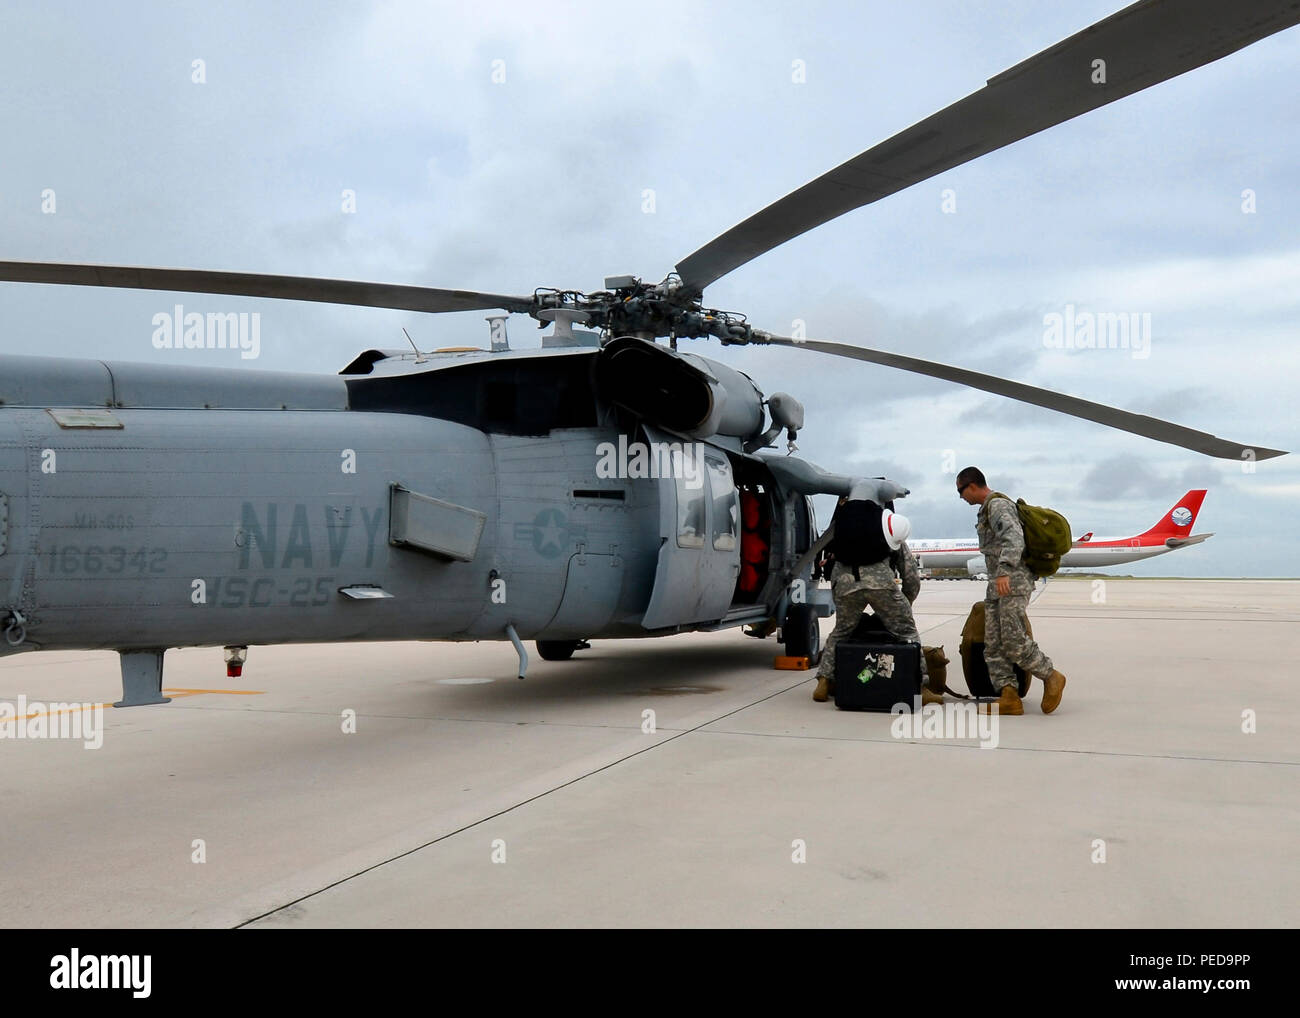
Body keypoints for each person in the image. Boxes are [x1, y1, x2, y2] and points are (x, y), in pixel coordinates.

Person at [956, 466, 1067, 715]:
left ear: (972, 486)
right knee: (993, 643)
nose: (961, 497)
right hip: (997, 583)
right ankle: (1008, 696)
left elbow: (1014, 537)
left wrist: (1005, 569)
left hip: (1012, 580)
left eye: (960, 491)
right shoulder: (986, 510)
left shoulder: (998, 506)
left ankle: (1051, 676)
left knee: (1013, 638)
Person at [812, 496, 936, 705]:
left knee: (841, 632)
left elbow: (834, 568)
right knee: (907, 632)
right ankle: (921, 688)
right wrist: (906, 602)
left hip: (845, 583)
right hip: (880, 584)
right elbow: (911, 575)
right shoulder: (889, 530)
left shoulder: (845, 531)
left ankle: (824, 681)